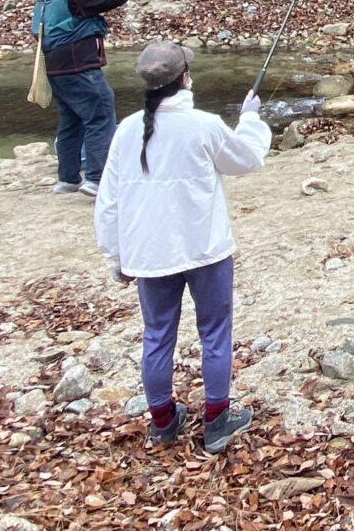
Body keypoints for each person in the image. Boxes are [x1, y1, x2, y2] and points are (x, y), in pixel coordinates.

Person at [94, 41, 271, 453]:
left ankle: (163, 422)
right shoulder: (203, 125)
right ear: (184, 79)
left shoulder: (127, 130)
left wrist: (116, 256)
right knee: (215, 334)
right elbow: (246, 160)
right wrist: (250, 119)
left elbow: (109, 199)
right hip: (206, 250)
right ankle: (216, 420)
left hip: (150, 255)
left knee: (156, 335)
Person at [32, 0, 143, 196]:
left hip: (54, 69)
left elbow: (36, 32)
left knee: (71, 121)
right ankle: (96, 179)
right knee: (100, 115)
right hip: (79, 67)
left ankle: (68, 179)